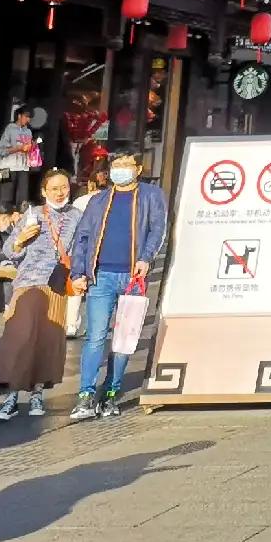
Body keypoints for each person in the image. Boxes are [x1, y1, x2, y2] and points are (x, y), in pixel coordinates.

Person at [64, 146, 168, 420]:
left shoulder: (152, 196)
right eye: (116, 164)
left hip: (132, 278)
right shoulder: (98, 200)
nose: (121, 169)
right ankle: (86, 395)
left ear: (138, 169)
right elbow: (83, 237)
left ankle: (111, 393)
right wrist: (78, 272)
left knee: (123, 339)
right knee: (95, 337)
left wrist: (146, 258)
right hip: (101, 276)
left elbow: (157, 228)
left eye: (126, 163)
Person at [0, 169, 78, 422]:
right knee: (19, 339)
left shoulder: (77, 217)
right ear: (44, 192)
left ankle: (38, 393)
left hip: (57, 284)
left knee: (47, 342)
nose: (60, 193)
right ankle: (12, 397)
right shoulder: (33, 214)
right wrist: (19, 240)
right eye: (54, 189)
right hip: (27, 283)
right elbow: (10, 251)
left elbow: (81, 248)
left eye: (64, 188)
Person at [0, 110, 36, 215]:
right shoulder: (9, 129)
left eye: (29, 118)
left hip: (23, 167)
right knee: (4, 198)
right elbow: (0, 149)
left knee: (23, 198)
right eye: (26, 116)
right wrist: (19, 148)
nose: (28, 120)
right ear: (19, 116)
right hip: (5, 167)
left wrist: (31, 148)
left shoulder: (28, 132)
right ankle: (2, 222)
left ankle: (20, 221)